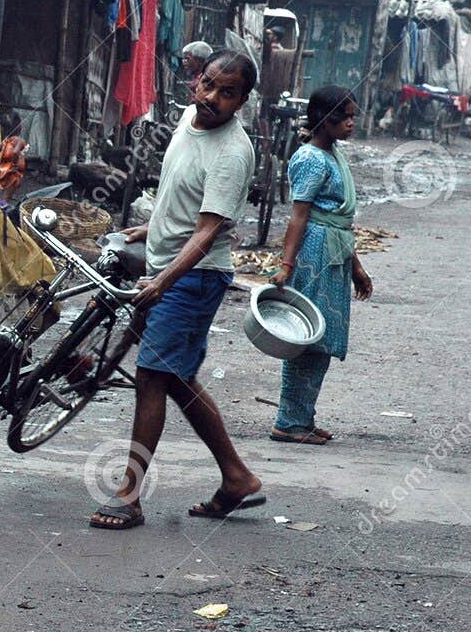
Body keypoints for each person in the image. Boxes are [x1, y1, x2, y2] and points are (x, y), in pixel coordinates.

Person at [91, 50, 264, 529]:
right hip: (167, 264)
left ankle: (128, 495)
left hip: (195, 277)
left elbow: (208, 230)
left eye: (226, 93)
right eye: (207, 84)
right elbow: (181, 194)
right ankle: (237, 477)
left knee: (151, 377)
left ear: (242, 101)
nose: (211, 97)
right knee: (176, 378)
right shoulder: (189, 117)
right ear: (196, 82)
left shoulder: (233, 152)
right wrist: (151, 228)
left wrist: (164, 281)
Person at [269, 86, 372, 444]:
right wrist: (286, 265)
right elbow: (299, 216)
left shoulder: (333, 155)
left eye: (352, 116)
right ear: (322, 119)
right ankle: (289, 421)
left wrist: (355, 265)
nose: (350, 124)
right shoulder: (311, 159)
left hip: (334, 252)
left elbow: (339, 220)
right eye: (344, 117)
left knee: (322, 338)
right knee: (308, 338)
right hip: (314, 254)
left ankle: (302, 417)